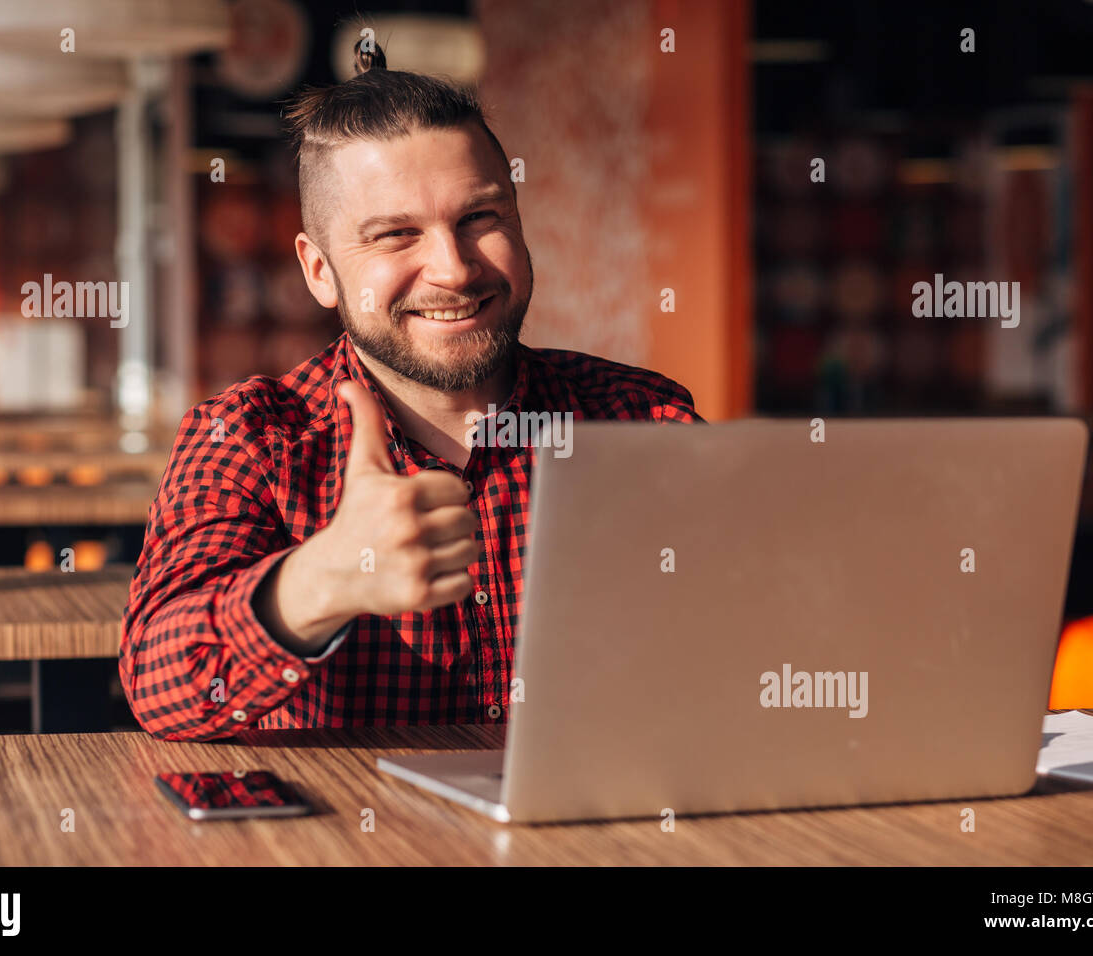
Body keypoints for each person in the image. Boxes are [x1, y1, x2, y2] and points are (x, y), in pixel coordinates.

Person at [120, 39, 703, 740]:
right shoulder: (249, 437)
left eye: (480, 220)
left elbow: (764, 628)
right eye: (397, 236)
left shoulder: (644, 421)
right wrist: (324, 579)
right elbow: (160, 686)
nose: (453, 270)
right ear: (320, 270)